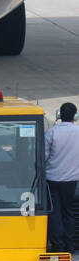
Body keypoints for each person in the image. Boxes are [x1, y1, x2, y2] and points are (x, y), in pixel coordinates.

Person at [45, 102, 79, 253]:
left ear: (59, 115)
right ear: (75, 116)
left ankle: (57, 244)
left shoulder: (51, 133)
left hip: (52, 178)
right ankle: (69, 245)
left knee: (55, 212)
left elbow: (44, 156)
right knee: (69, 212)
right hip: (71, 180)